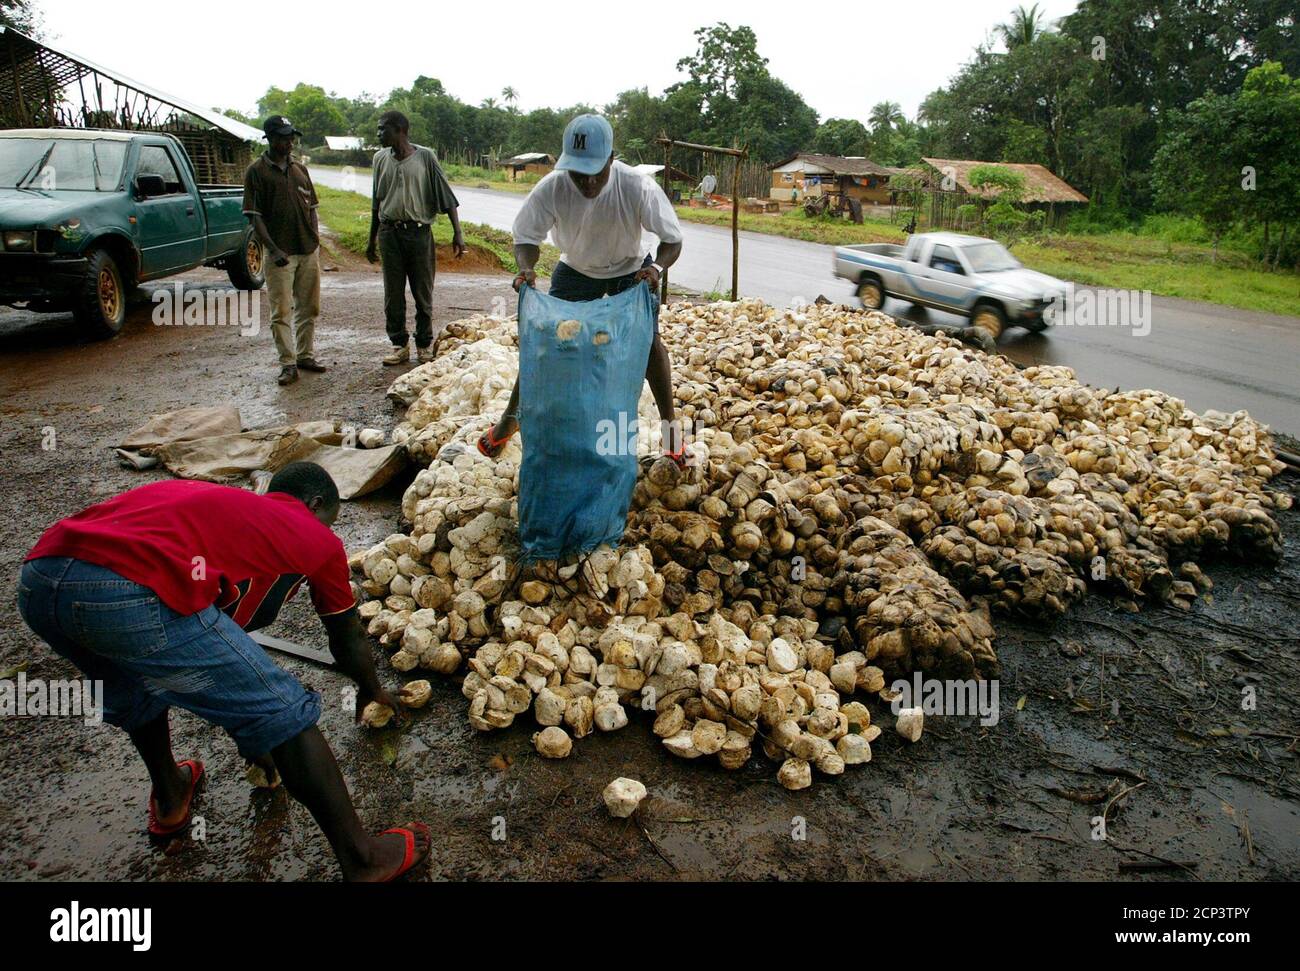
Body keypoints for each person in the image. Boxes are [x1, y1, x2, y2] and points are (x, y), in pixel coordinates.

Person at [17, 464, 431, 882]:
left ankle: (171, 794)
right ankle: (364, 860)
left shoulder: (227, 512)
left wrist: (246, 730)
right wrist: (371, 689)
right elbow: (345, 636)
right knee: (281, 709)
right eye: (330, 519)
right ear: (315, 505)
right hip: (124, 589)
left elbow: (210, 642)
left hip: (41, 578)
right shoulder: (315, 538)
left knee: (134, 685)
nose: (329, 530)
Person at [477, 113, 687, 466]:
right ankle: (510, 420)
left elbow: (672, 240)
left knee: (648, 345)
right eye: (578, 173)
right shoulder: (552, 188)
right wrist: (526, 269)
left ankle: (671, 433)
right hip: (576, 268)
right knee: (545, 344)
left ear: (611, 159)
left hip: (632, 270)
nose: (587, 183)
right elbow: (526, 238)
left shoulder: (637, 186)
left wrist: (656, 268)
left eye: (596, 172)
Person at [366, 110, 465, 366]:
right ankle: (399, 344)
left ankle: (423, 345)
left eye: (382, 129)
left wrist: (458, 232)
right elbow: (376, 203)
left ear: (400, 130)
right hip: (389, 234)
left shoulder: (425, 157)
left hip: (419, 233)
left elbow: (446, 196)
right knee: (393, 293)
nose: (378, 134)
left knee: (422, 292)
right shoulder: (379, 159)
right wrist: (371, 239)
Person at [243, 116, 326, 386]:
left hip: (307, 250)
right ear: (270, 139)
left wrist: (314, 239)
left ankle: (305, 355)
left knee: (309, 307)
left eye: (291, 137)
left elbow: (312, 208)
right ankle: (288, 364)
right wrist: (274, 250)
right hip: (280, 255)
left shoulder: (300, 169)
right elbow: (255, 217)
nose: (289, 142)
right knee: (281, 312)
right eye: (283, 137)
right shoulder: (257, 171)